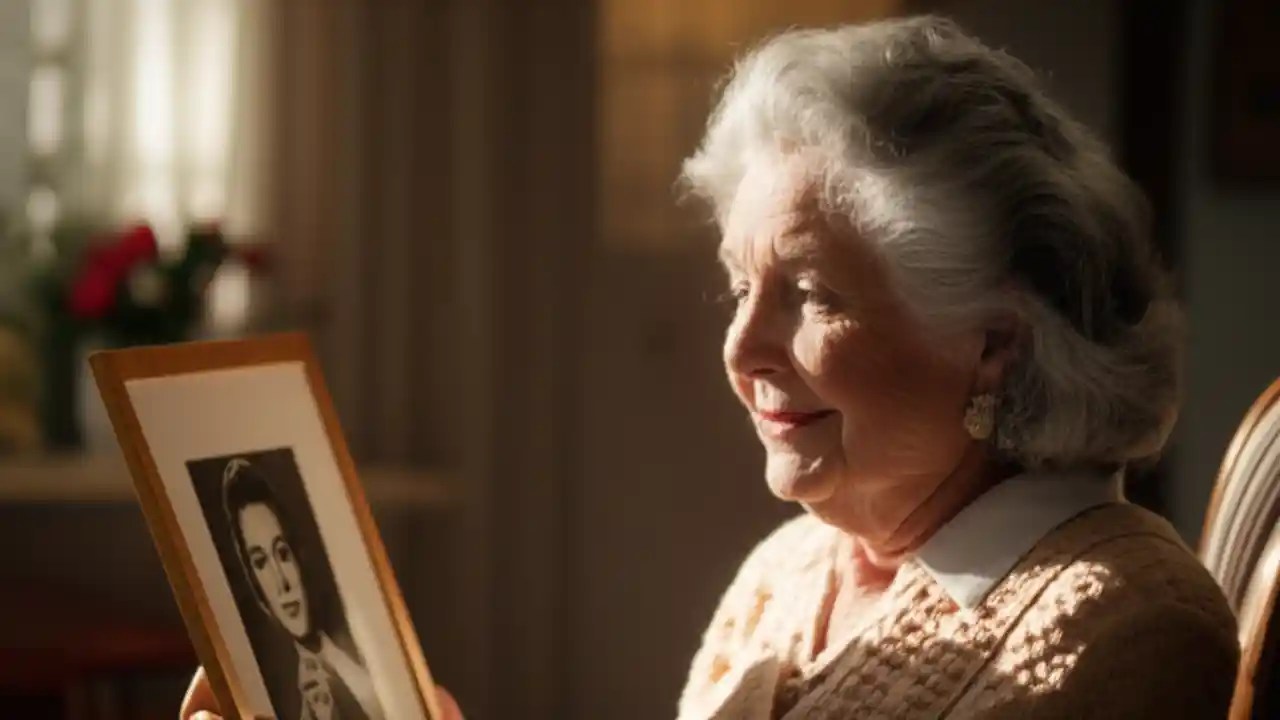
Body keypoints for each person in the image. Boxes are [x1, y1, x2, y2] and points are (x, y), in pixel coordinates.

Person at [185, 15, 1238, 719]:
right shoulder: (791, 571)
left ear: (993, 345)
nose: (740, 350)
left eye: (812, 295)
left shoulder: (1127, 627)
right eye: (741, 287)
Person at [220, 458, 385, 720]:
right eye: (261, 562)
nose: (282, 582)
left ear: (300, 554)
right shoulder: (261, 683)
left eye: (283, 553)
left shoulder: (363, 655)